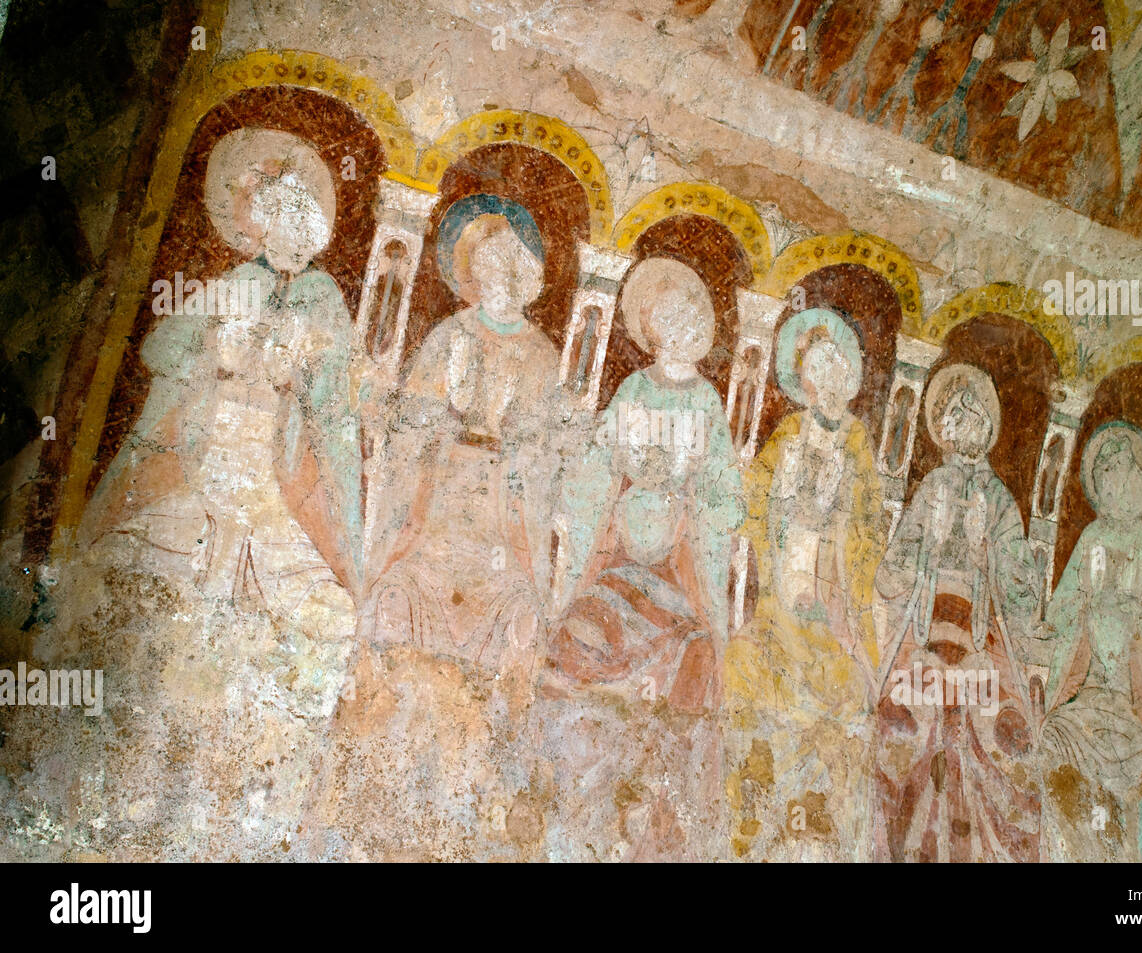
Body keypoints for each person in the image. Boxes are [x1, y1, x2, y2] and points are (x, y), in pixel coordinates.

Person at [79, 135, 359, 858]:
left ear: (317, 230)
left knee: (319, 619)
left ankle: (255, 799)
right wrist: (217, 345)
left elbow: (336, 411)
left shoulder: (326, 301)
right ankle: (140, 773)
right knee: (169, 596)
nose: (291, 230)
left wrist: (301, 370)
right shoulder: (236, 281)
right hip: (215, 460)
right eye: (278, 216)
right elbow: (158, 351)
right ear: (260, 224)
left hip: (275, 477)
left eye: (304, 217)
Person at [306, 197, 566, 860]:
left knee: (520, 621)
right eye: (485, 265)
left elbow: (546, 456)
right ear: (472, 276)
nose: (498, 276)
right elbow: (409, 428)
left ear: (528, 274)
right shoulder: (448, 337)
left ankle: (478, 812)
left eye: (510, 264)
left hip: (499, 532)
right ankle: (368, 798)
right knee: (394, 601)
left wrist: (518, 444)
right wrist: (426, 416)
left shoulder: (539, 356)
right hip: (438, 513)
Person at [539, 256, 743, 861]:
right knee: (576, 642)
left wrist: (688, 499)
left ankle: (661, 820)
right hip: (622, 568)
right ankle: (574, 803)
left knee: (694, 658)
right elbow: (599, 464)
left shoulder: (707, 402)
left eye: (688, 314)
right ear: (650, 330)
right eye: (665, 317)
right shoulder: (633, 390)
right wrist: (575, 505)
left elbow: (727, 495)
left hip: (677, 574)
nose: (679, 326)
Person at [723, 307, 885, 861]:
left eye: (838, 362)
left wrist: (833, 524)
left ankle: (826, 832)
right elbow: (755, 506)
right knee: (749, 664)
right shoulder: (790, 432)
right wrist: (791, 506)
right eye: (818, 366)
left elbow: (869, 526)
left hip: (836, 602)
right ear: (806, 381)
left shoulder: (859, 441)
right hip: (783, 597)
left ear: (850, 374)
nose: (830, 374)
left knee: (847, 694)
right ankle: (757, 823)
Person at [870, 363, 1041, 862]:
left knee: (1007, 740)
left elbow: (1018, 587)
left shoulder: (1001, 500)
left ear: (989, 424)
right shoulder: (931, 490)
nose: (965, 423)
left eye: (974, 413)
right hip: (926, 633)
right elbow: (891, 572)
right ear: (942, 432)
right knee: (900, 726)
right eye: (953, 415)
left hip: (982, 639)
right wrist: (930, 547)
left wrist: (997, 554)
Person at [1039, 421, 1142, 861]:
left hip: (1128, 708)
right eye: (1110, 472)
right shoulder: (1092, 538)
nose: (1120, 482)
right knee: (1051, 741)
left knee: (1141, 773)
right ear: (1100, 484)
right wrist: (1088, 607)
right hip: (1085, 699)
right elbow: (1059, 613)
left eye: (1128, 472)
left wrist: (1134, 616)